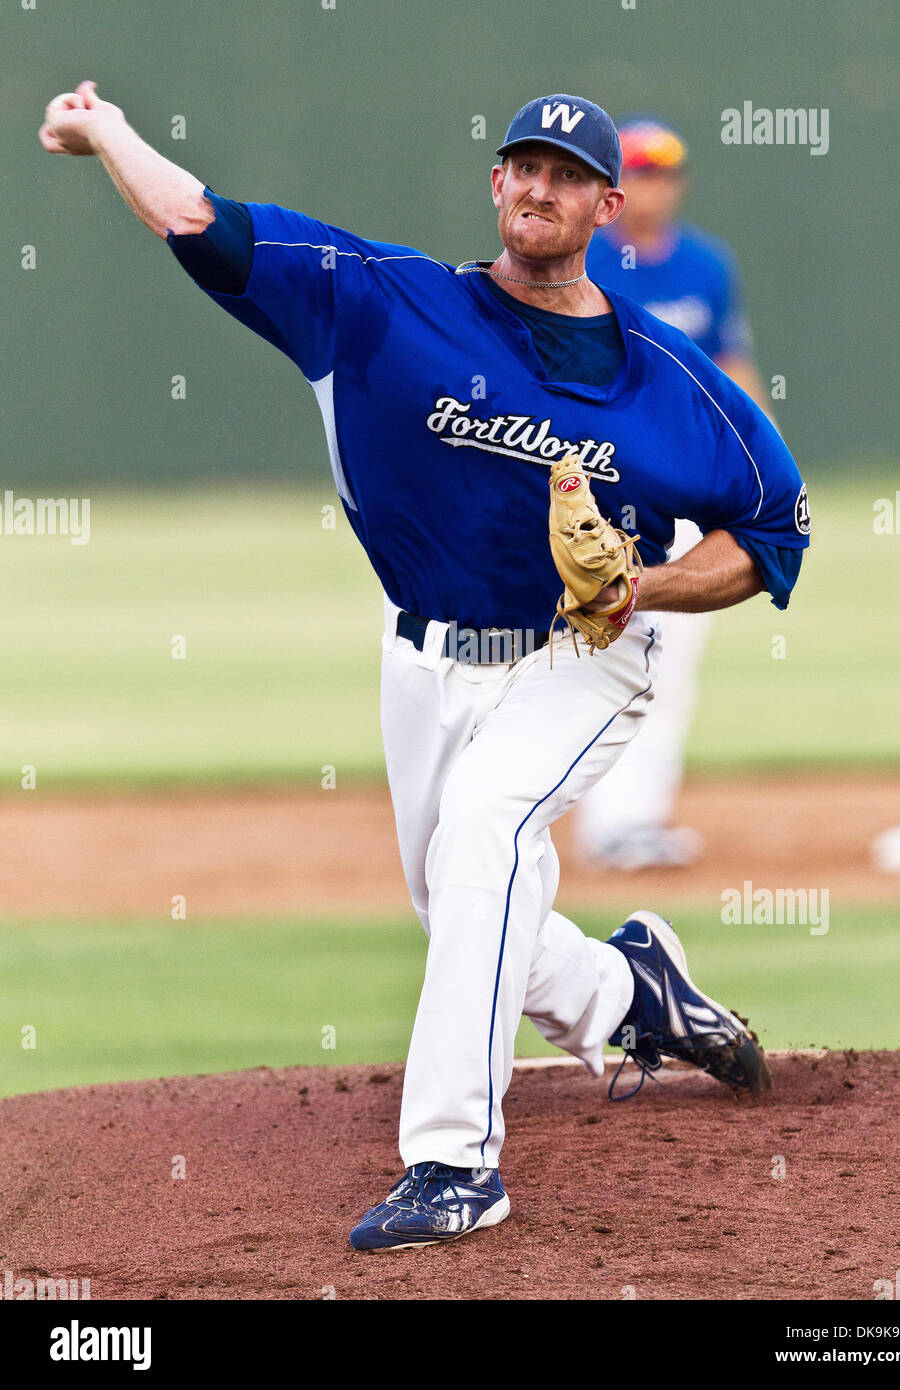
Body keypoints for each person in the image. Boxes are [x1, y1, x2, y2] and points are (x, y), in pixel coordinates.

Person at [40, 83, 810, 1251]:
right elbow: (204, 220)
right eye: (524, 166)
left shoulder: (671, 380)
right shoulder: (382, 303)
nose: (542, 187)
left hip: (586, 657)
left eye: (568, 173)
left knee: (492, 831)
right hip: (422, 658)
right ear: (497, 183)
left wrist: (639, 586)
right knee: (454, 898)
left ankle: (455, 1160)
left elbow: (771, 531)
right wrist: (106, 131)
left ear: (607, 203)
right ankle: (631, 993)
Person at [580, 115, 777, 870]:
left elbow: (734, 367)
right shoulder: (584, 258)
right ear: (612, 188)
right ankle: (577, 816)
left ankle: (631, 819)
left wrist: (763, 465)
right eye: (638, 172)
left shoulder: (706, 263)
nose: (651, 186)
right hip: (603, 490)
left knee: (668, 653)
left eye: (664, 171)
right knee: (575, 653)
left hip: (695, 488)